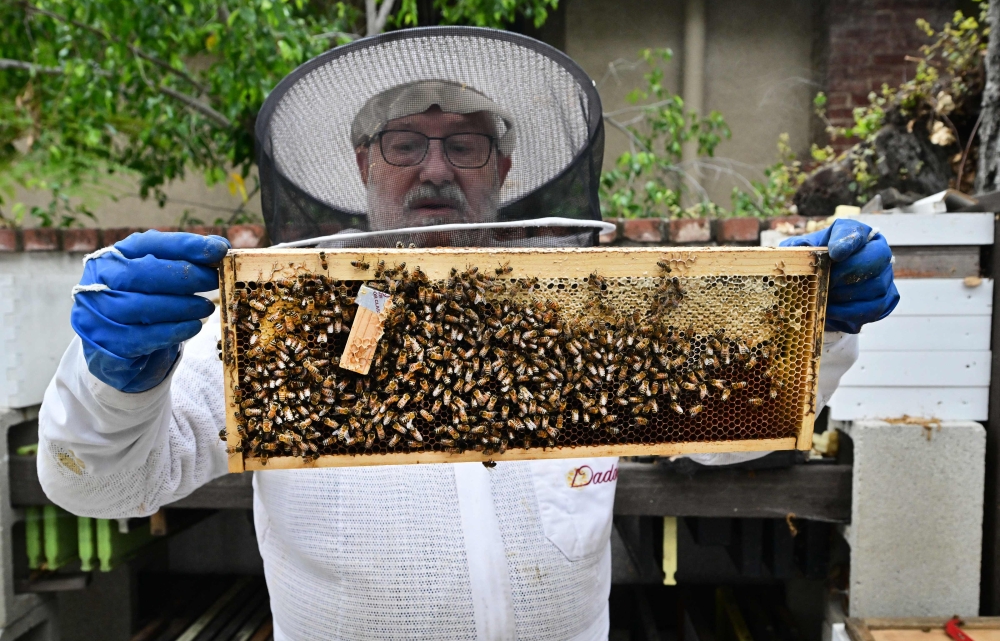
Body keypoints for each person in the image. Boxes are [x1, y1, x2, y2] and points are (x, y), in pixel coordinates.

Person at [37, 32, 898, 641]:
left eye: (468, 146)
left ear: (507, 170)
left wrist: (809, 332)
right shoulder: (281, 326)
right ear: (364, 165)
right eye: (406, 143)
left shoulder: (578, 313)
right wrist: (118, 379)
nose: (437, 169)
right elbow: (103, 482)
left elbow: (725, 435)